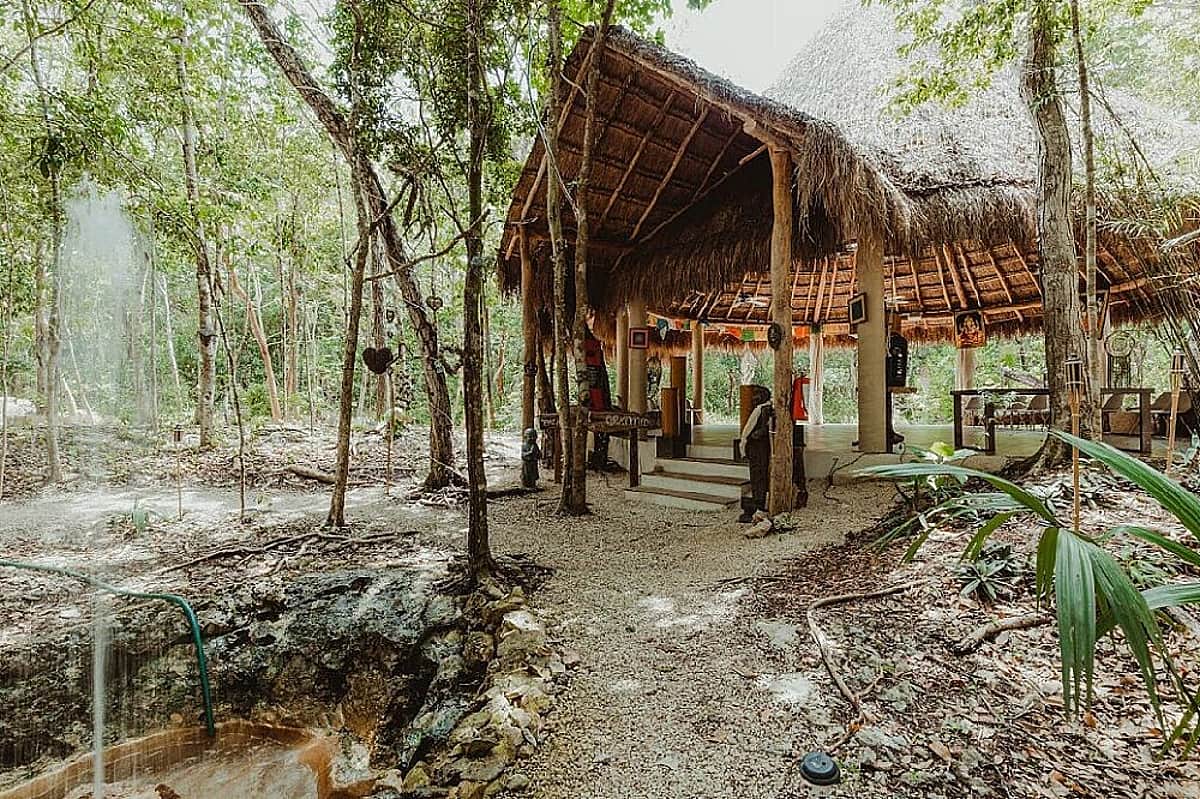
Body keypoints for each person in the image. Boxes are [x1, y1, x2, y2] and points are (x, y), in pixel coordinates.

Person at [737, 385, 773, 521]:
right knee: (758, 475)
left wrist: (750, 438)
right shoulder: (764, 408)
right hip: (758, 447)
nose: (753, 399)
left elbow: (763, 429)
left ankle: (759, 504)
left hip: (758, 447)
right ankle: (759, 502)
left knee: (758, 475)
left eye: (756, 396)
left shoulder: (762, 409)